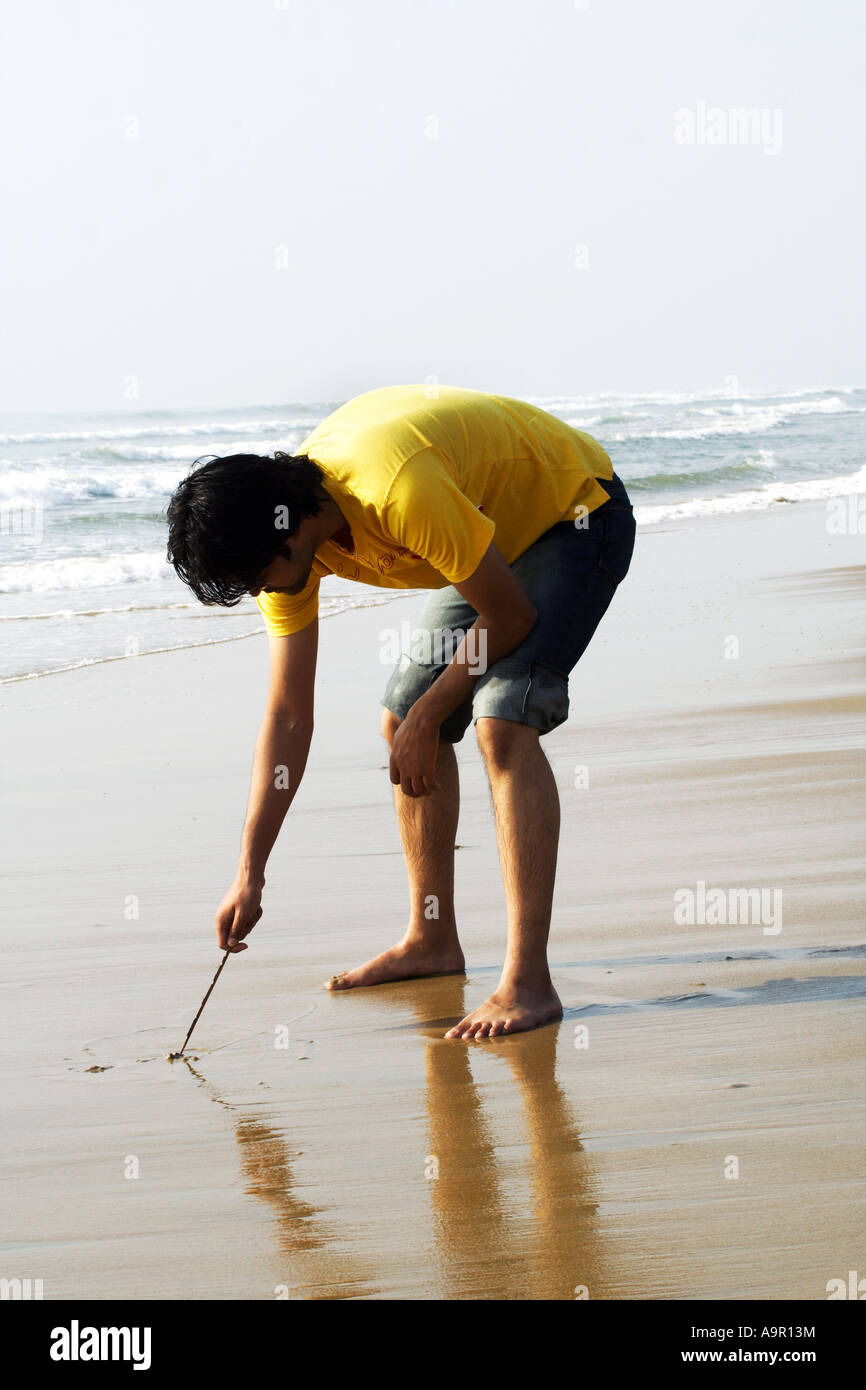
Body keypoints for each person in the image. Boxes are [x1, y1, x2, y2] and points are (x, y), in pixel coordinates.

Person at [166, 384, 636, 1038]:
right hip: (487, 534)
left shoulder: (397, 491)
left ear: (291, 525)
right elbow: (288, 717)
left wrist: (429, 716)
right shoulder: (281, 553)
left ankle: (528, 981)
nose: (263, 593)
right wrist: (251, 873)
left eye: (258, 579)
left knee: (502, 719)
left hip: (575, 513)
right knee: (404, 717)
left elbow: (511, 615)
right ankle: (431, 940)